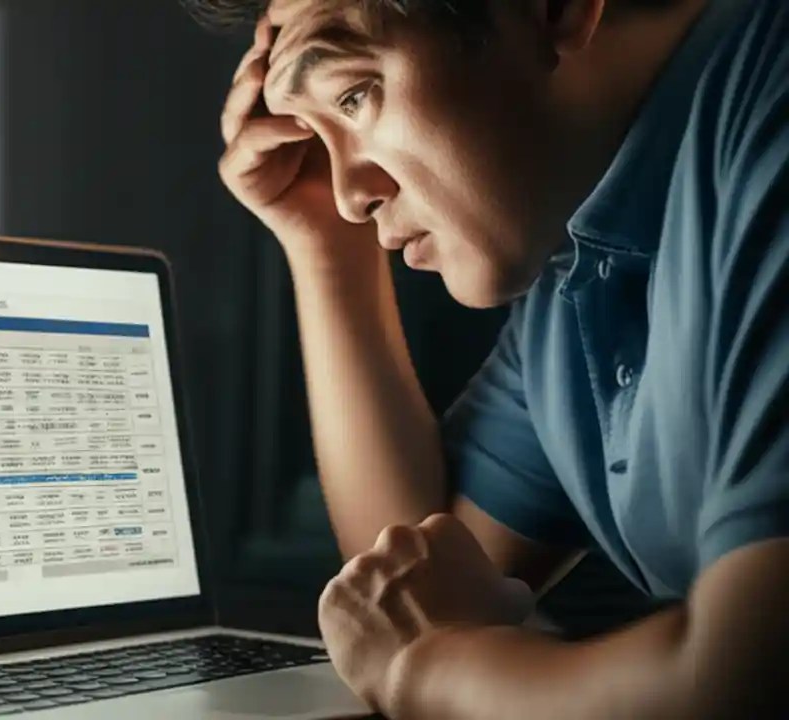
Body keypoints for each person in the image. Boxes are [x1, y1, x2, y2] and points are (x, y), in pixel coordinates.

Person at [183, 0, 789, 716]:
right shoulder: (583, 272)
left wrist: (423, 671)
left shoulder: (767, 122)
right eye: (314, 131)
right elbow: (411, 577)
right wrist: (325, 247)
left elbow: (732, 681)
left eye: (353, 97)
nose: (350, 195)